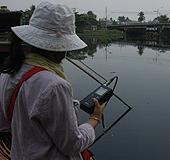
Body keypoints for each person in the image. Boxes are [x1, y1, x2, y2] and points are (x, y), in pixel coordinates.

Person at [0, 1, 106, 160]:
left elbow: (4, 125)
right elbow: (72, 144)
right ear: (61, 48)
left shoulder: (7, 73)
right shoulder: (55, 85)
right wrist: (94, 119)